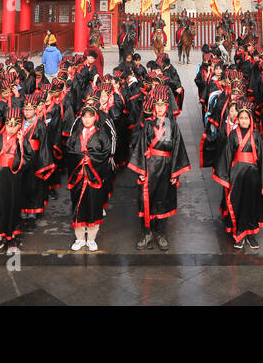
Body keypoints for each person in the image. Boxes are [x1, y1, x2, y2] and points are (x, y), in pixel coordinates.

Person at [128, 85, 191, 250]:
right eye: (157, 105)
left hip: (166, 167)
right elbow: (141, 147)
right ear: (153, 106)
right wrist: (141, 171)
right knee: (145, 200)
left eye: (163, 105)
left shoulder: (172, 125)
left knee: (164, 199)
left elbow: (178, 148)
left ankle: (162, 234)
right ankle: (147, 232)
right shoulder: (148, 125)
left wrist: (175, 173)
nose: (160, 108)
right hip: (149, 168)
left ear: (167, 106)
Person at [212, 99, 263, 250]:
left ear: (251, 119)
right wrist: (225, 177)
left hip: (253, 176)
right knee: (238, 203)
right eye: (241, 118)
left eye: (246, 118)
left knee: (252, 203)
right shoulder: (233, 136)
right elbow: (227, 156)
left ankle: (251, 234)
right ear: (237, 119)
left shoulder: (256, 136)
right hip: (236, 175)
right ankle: (239, 234)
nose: (243, 121)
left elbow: (262, 158)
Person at [0, 104, 34, 254]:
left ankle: (12, 238)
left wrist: (22, 143)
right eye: (9, 124)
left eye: (15, 125)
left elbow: (29, 159)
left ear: (19, 125)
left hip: (14, 179)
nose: (11, 128)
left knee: (12, 207)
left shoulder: (22, 140)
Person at [65, 96, 114, 251]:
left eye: (90, 116)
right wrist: (81, 159)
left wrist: (90, 159)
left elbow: (105, 154)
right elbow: (70, 151)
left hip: (94, 177)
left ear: (95, 117)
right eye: (84, 117)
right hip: (78, 177)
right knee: (78, 206)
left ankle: (92, 238)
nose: (87, 120)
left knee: (94, 205)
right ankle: (79, 237)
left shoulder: (101, 135)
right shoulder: (75, 135)